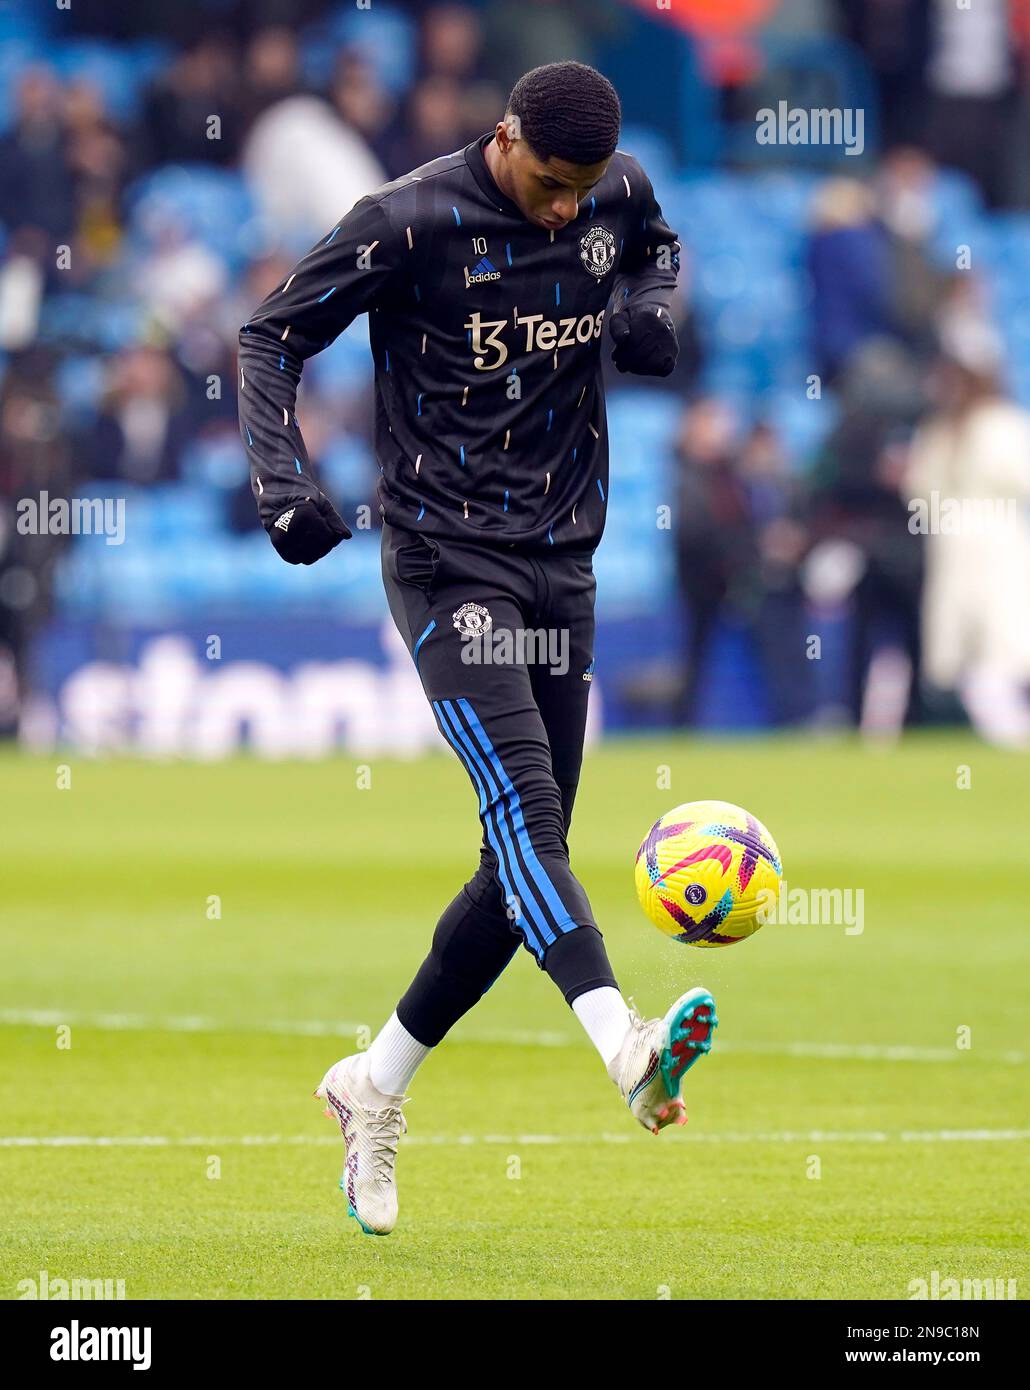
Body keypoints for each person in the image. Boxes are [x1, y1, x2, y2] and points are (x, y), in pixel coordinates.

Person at [237, 62, 718, 1235]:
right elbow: (267, 337)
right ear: (502, 138)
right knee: (530, 812)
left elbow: (655, 244)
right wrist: (282, 477)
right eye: (551, 186)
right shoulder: (403, 223)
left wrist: (656, 306)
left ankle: (372, 1084)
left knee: (519, 865)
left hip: (565, 560)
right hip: (448, 559)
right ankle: (626, 1049)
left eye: (583, 190)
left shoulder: (613, 193)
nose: (567, 209)